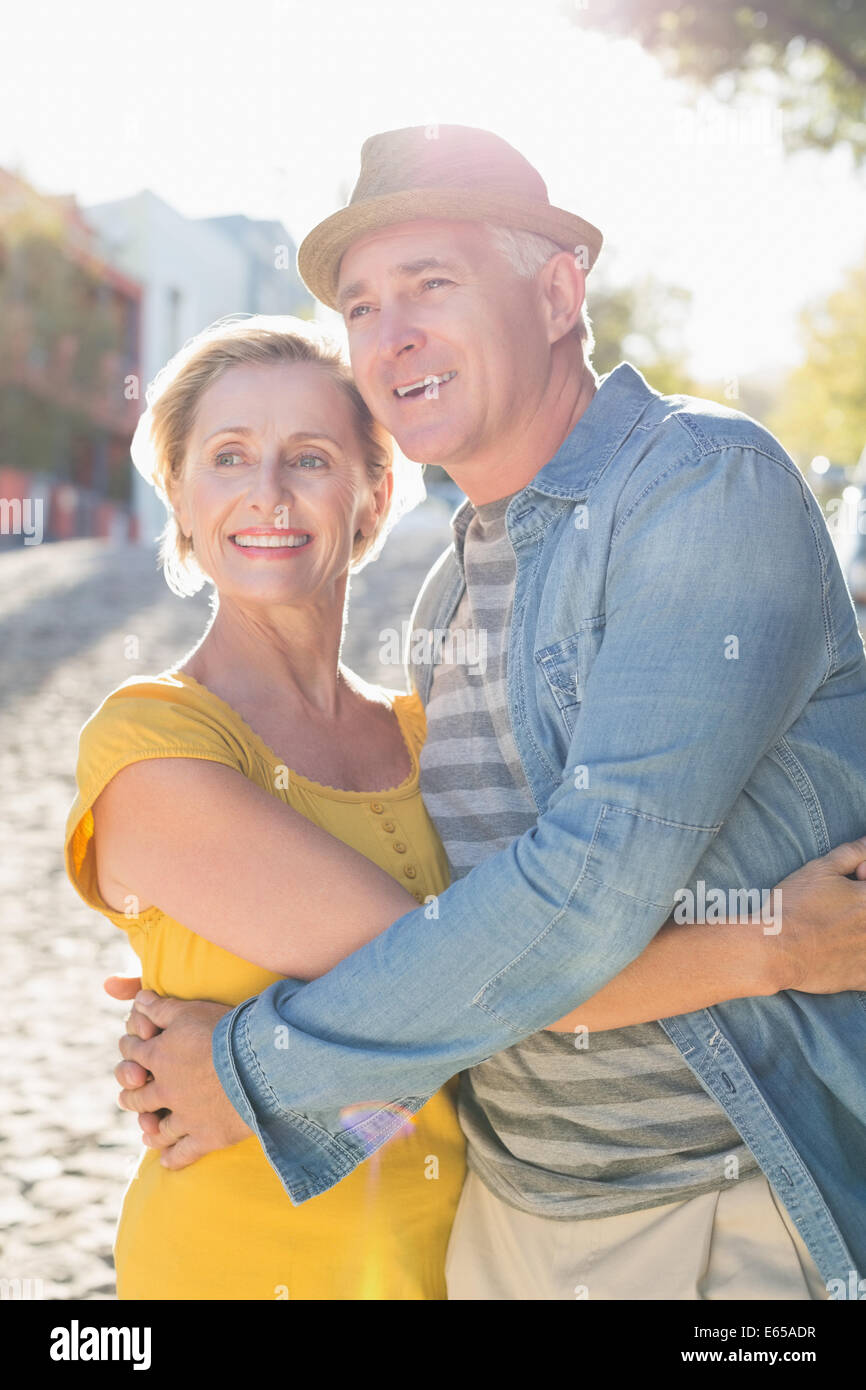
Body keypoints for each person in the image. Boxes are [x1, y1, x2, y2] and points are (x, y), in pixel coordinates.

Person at [107, 127, 866, 1300]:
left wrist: (256, 1065)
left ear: (558, 292)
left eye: (430, 284)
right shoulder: (450, 588)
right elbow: (463, 954)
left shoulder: (695, 484)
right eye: (361, 305)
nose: (390, 332)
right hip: (503, 1224)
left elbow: (583, 891)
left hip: (712, 1209)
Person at [64, 317, 469, 1298]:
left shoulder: (436, 733)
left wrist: (235, 1060)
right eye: (229, 456)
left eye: (310, 458)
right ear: (183, 499)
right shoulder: (150, 743)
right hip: (237, 1260)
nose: (268, 492)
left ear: (372, 498)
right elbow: (467, 972)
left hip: (458, 1257)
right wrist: (771, 944)